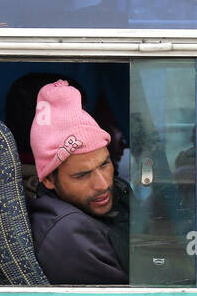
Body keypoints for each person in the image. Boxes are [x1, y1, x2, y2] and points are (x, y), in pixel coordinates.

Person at [27, 80, 134, 284]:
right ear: (49, 179)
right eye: (82, 175)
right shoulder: (68, 233)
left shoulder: (119, 195)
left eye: (104, 164)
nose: (102, 184)